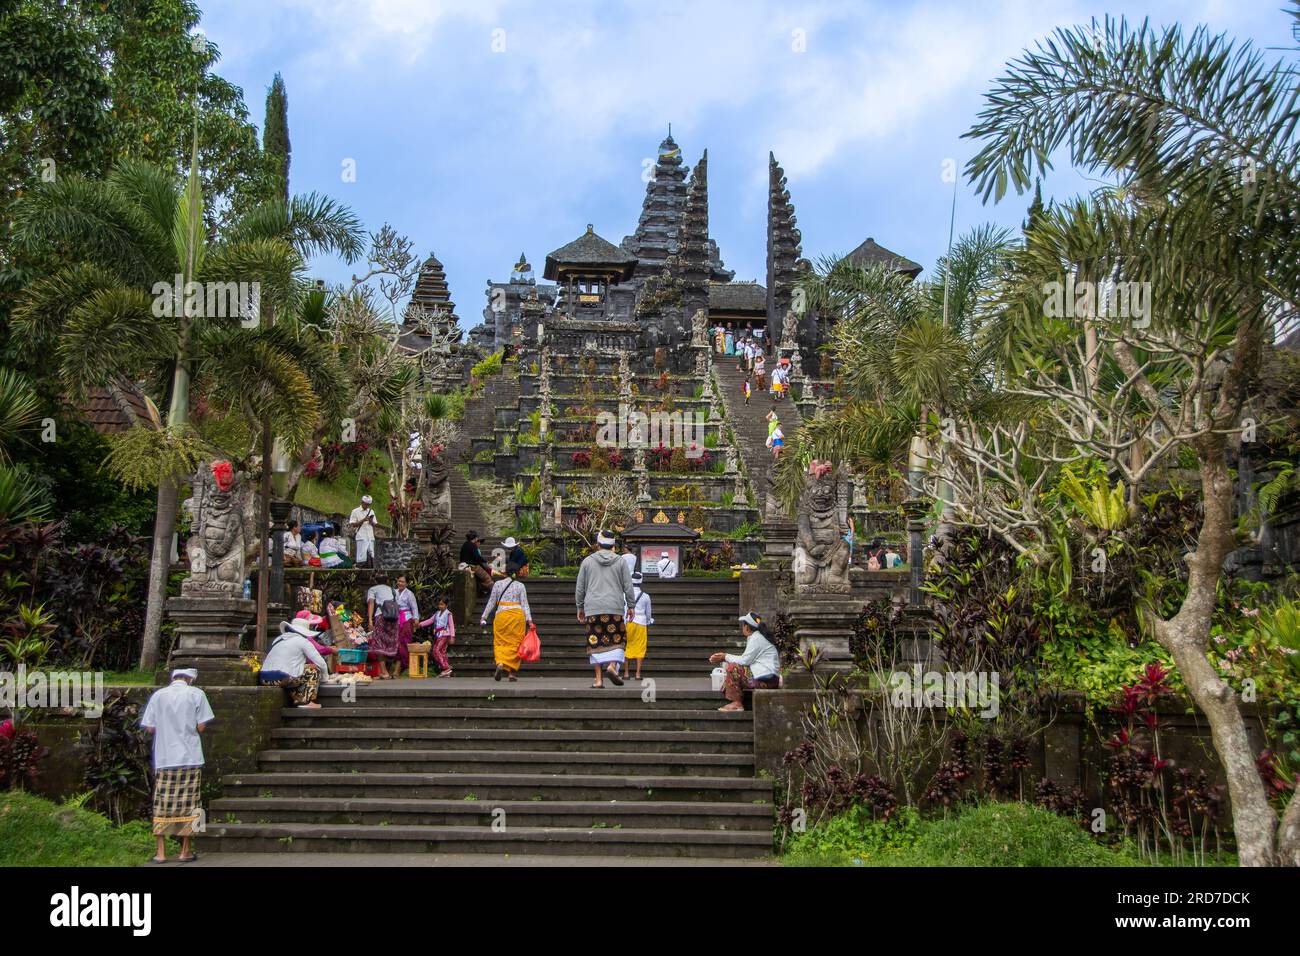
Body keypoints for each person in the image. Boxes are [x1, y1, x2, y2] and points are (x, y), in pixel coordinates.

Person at [140, 668, 214, 864]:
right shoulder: (197, 694)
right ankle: (185, 851)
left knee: (162, 804)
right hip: (190, 756)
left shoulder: (158, 695)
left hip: (165, 757)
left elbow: (150, 726)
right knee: (191, 804)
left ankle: (161, 853)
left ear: (173, 678)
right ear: (190, 679)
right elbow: (201, 726)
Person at [575, 529, 636, 688]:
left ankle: (598, 680)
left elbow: (580, 588)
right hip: (614, 608)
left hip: (593, 608)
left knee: (595, 642)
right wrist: (631, 605)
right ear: (613, 545)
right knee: (618, 639)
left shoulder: (587, 561)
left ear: (598, 544)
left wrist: (580, 607)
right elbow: (628, 586)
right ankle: (612, 666)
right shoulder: (621, 561)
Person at [709, 613, 781, 712]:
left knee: (733, 668)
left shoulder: (756, 638)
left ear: (747, 627)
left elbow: (744, 661)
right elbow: (746, 660)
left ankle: (736, 703)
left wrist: (725, 656)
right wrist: (726, 657)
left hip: (766, 681)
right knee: (733, 666)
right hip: (770, 679)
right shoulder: (758, 637)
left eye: (743, 625)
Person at [481, 563, 533, 681]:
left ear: (504, 572)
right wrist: (529, 621)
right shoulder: (520, 586)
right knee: (516, 644)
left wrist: (484, 616)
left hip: (502, 616)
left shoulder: (497, 585)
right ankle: (512, 673)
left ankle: (500, 662)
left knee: (500, 642)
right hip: (517, 617)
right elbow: (525, 604)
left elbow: (491, 602)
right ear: (517, 573)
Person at [260, 619, 330, 705]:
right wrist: (325, 679)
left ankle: (297, 697)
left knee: (296, 669)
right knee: (314, 669)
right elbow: (321, 663)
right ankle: (306, 701)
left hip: (264, 679)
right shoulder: (303, 641)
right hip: (282, 678)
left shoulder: (278, 639)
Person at [365, 579, 401, 679]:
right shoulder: (394, 591)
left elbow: (371, 603)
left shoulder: (373, 589)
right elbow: (398, 606)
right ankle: (387, 671)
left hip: (381, 617)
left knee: (379, 644)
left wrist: (370, 620)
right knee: (391, 644)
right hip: (394, 619)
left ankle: (384, 672)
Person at [624, 571, 653, 680]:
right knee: (640, 647)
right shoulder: (646, 596)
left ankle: (626, 673)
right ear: (641, 581)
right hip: (641, 622)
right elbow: (648, 613)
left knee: (627, 646)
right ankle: (637, 674)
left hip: (628, 622)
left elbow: (624, 610)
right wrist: (649, 621)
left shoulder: (625, 594)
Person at [419, 595, 456, 677]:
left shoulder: (448, 614)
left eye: (442, 604)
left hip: (445, 634)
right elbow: (430, 621)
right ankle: (446, 669)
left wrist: (452, 636)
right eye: (439, 604)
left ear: (446, 605)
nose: (440, 606)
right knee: (441, 651)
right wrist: (420, 624)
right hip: (438, 634)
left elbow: (451, 625)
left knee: (436, 650)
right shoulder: (437, 613)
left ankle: (446, 668)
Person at [394, 574, 420, 674]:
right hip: (396, 619)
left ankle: (400, 666)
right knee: (396, 642)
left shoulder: (409, 594)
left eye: (402, 582)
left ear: (406, 584)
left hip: (406, 618)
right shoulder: (394, 592)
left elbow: (414, 607)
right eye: (399, 581)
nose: (400, 583)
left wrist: (416, 619)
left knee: (403, 642)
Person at [348, 494, 378, 566]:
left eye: (369, 505)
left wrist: (371, 521)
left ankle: (371, 570)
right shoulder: (355, 511)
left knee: (372, 555)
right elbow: (353, 524)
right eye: (366, 504)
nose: (367, 506)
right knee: (361, 556)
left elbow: (375, 524)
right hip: (361, 536)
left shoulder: (371, 511)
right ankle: (360, 569)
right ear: (362, 502)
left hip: (370, 537)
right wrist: (363, 520)